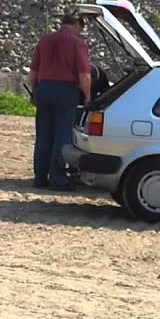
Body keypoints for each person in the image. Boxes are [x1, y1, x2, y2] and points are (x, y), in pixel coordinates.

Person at [28, 10, 91, 190]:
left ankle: (39, 178)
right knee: (62, 136)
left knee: (43, 136)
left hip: (44, 89)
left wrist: (34, 93)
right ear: (78, 25)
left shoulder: (45, 40)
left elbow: (32, 73)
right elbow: (84, 75)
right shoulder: (77, 43)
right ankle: (58, 179)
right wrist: (87, 96)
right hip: (65, 91)